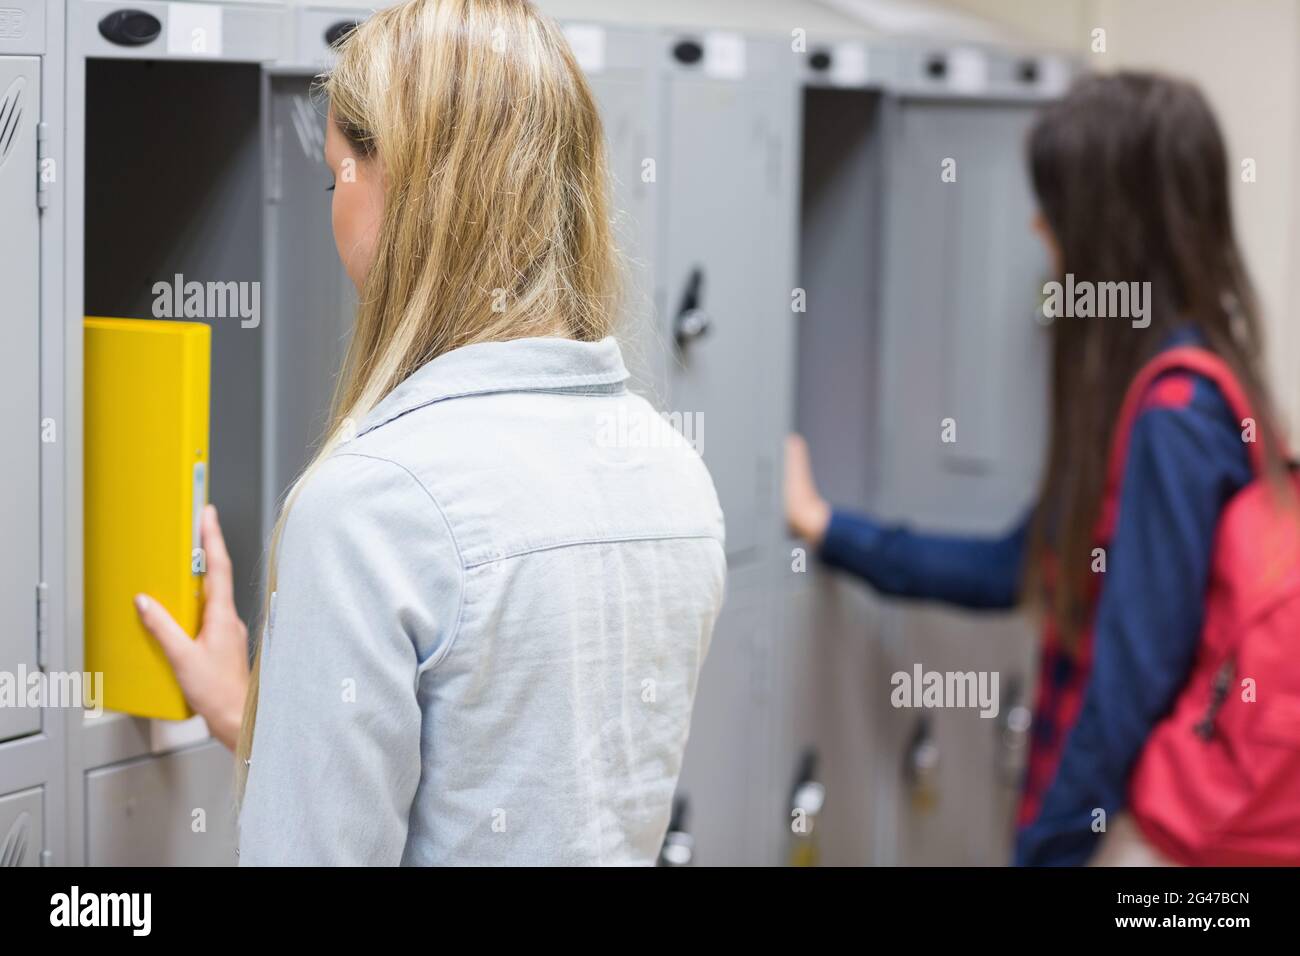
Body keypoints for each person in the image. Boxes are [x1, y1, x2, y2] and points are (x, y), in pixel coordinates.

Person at [133, 0, 726, 865]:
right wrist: (254, 713)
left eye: (336, 173)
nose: (335, 202)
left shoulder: (371, 507)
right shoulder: (672, 472)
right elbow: (510, 788)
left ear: (398, 186)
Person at [785, 72, 1290, 866]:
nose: (1036, 225)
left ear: (1107, 231)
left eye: (1053, 206)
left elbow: (1129, 685)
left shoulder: (1173, 420)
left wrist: (1050, 848)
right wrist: (830, 528)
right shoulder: (1181, 383)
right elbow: (1016, 568)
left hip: (1144, 842)